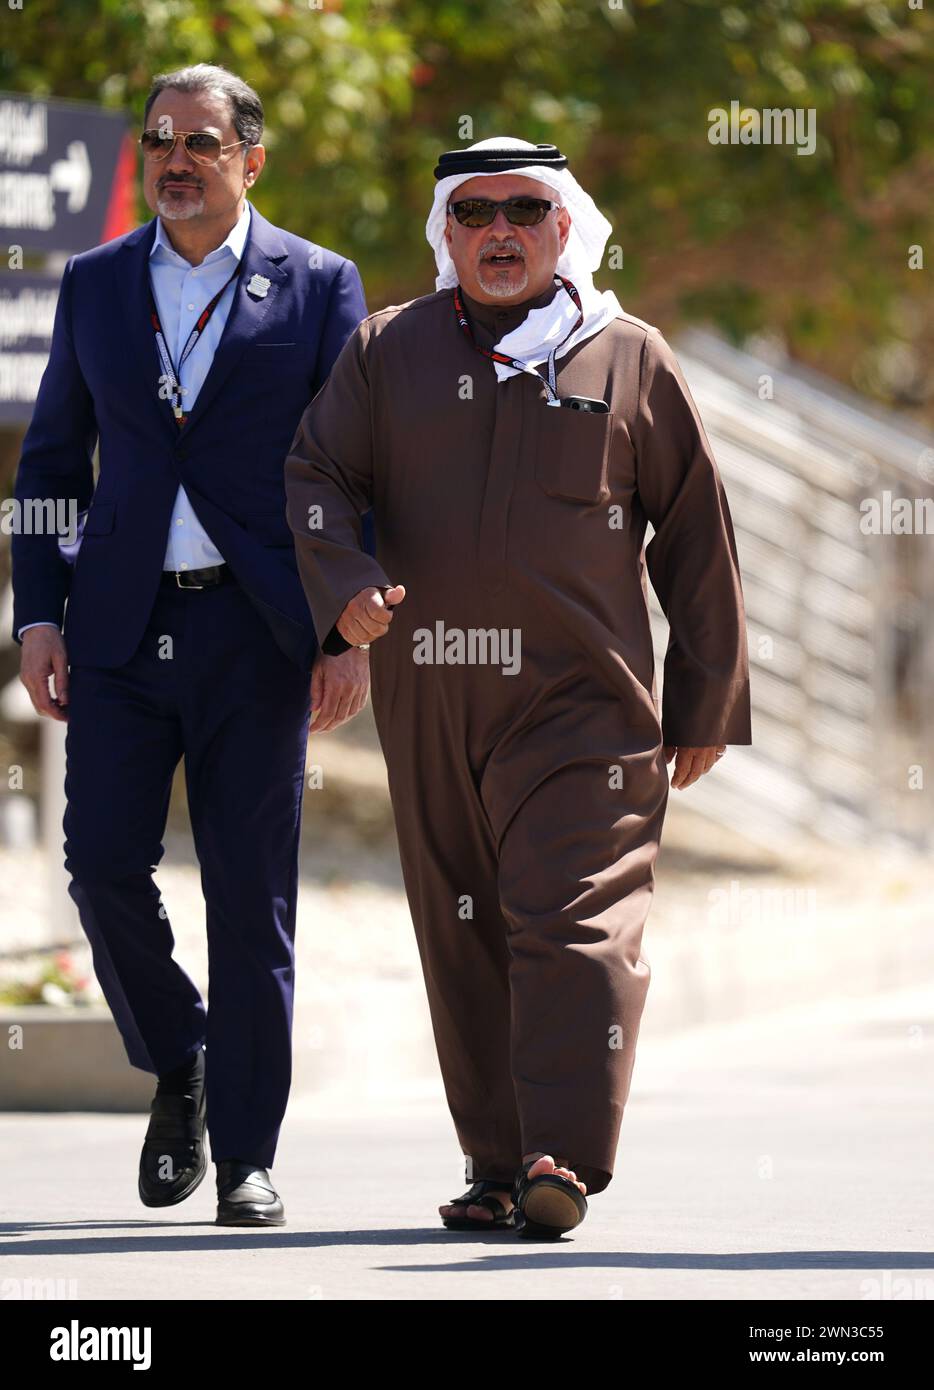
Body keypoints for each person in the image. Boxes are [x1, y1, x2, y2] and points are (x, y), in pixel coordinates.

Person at [284, 136, 751, 1238]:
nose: (499, 231)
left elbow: (696, 535)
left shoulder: (628, 358)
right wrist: (342, 590)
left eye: (524, 212)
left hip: (586, 704)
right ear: (447, 232)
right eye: (475, 212)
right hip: (432, 696)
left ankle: (562, 1156)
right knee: (464, 927)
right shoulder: (386, 351)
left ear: (564, 228)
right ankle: (495, 1161)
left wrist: (706, 698)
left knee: (573, 913)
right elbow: (315, 474)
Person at [12, 64, 371, 1227]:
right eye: (160, 140)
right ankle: (181, 1055)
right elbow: (52, 465)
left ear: (249, 159)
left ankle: (248, 1157)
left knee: (249, 898)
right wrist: (38, 612)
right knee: (103, 869)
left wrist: (342, 627)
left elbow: (354, 478)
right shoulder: (99, 282)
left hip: (257, 629)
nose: (174, 159)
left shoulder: (318, 286)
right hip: (118, 625)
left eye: (200, 142)